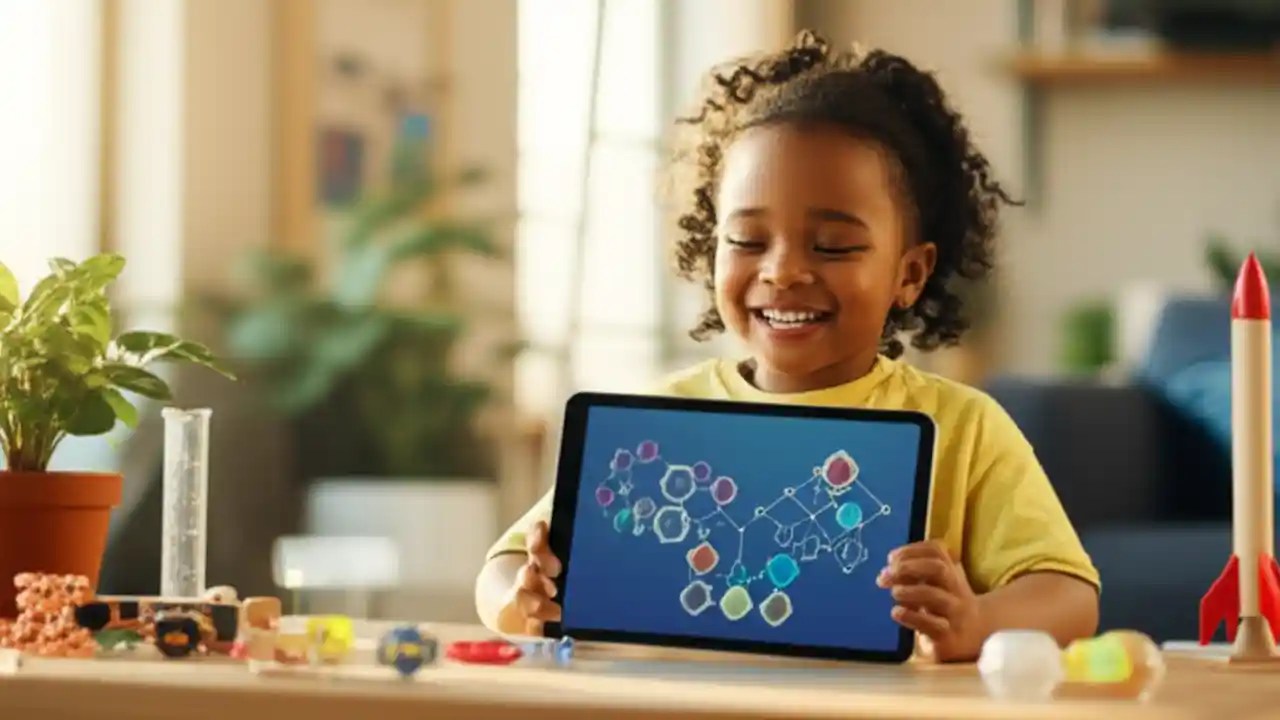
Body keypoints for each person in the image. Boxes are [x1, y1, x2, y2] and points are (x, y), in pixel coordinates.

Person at [474, 30, 1099, 662]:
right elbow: (501, 568)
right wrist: (522, 598)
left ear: (909, 274)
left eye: (832, 246)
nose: (783, 271)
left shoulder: (964, 429)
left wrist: (978, 621)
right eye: (747, 241)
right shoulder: (655, 422)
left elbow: (1069, 595)